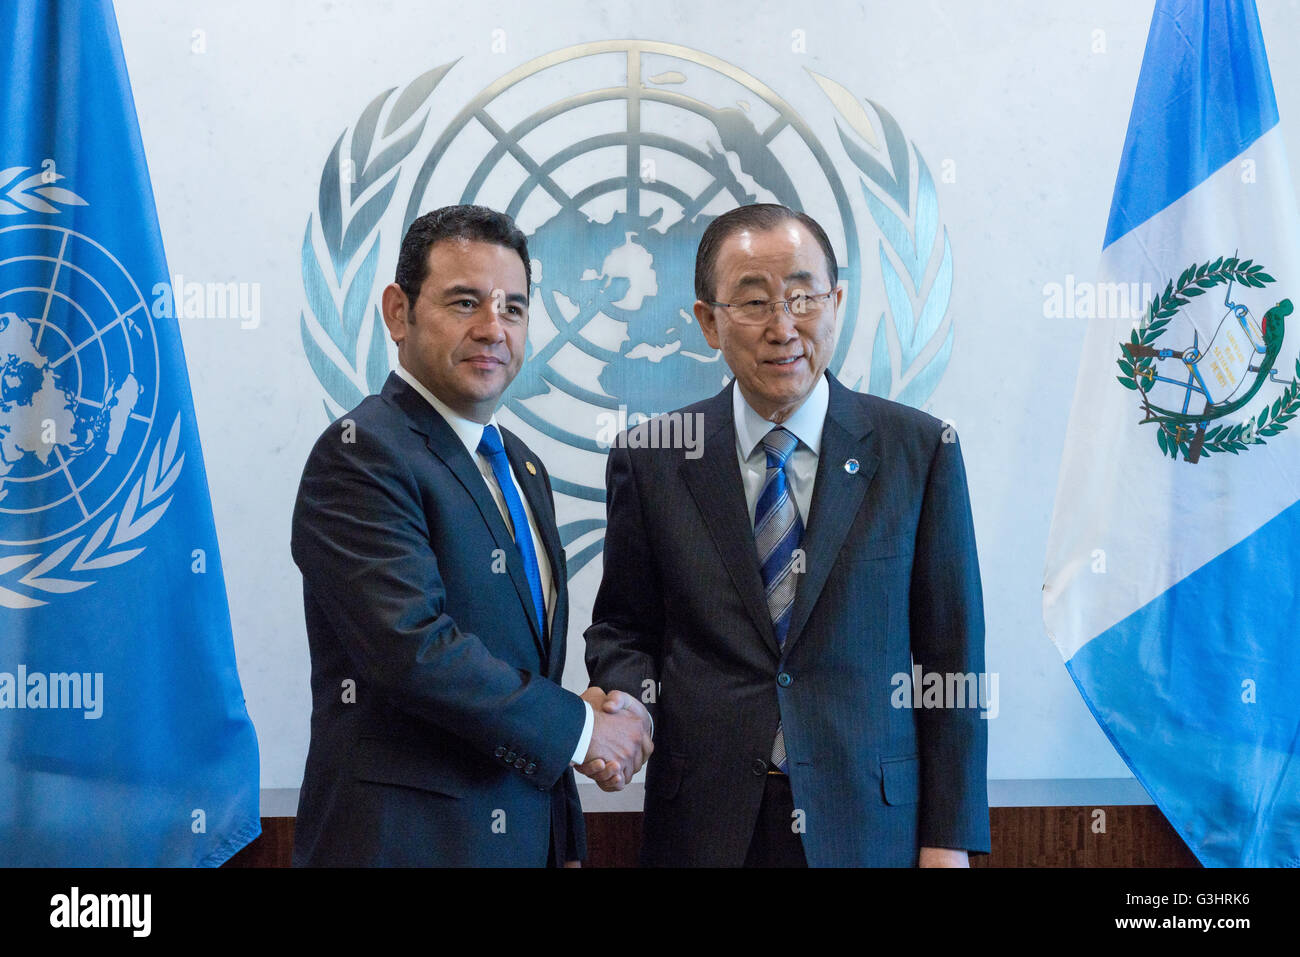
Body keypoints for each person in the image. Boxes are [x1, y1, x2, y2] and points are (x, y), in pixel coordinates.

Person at [584, 203, 989, 867]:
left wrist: (947, 840)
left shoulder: (918, 450)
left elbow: (952, 659)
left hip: (868, 822)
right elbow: (625, 627)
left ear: (837, 301)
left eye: (804, 296)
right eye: (753, 301)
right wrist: (629, 702)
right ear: (707, 321)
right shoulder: (652, 455)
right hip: (702, 823)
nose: (783, 326)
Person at [291, 204, 651, 867]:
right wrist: (582, 728)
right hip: (406, 847)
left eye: (513, 308)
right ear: (398, 311)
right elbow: (415, 652)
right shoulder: (361, 453)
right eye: (465, 302)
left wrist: (562, 837)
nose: (494, 328)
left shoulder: (521, 463)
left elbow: (525, 667)